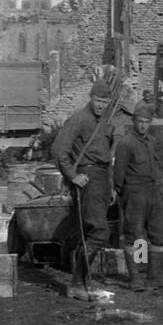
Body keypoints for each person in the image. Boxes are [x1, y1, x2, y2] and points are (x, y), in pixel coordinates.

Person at [55, 79, 120, 297]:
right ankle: (76, 284)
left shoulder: (102, 121)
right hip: (88, 178)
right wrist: (73, 176)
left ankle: (82, 284)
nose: (101, 104)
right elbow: (59, 149)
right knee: (100, 231)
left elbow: (107, 157)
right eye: (98, 100)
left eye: (105, 101)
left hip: (101, 178)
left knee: (93, 230)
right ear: (91, 98)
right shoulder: (80, 119)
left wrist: (110, 186)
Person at [113, 101, 163, 291]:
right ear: (134, 121)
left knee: (158, 234)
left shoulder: (151, 141)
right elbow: (118, 174)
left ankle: (153, 277)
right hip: (134, 192)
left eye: (147, 122)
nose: (143, 125)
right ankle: (136, 277)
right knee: (135, 235)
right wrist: (122, 193)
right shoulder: (126, 143)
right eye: (140, 121)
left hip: (153, 191)